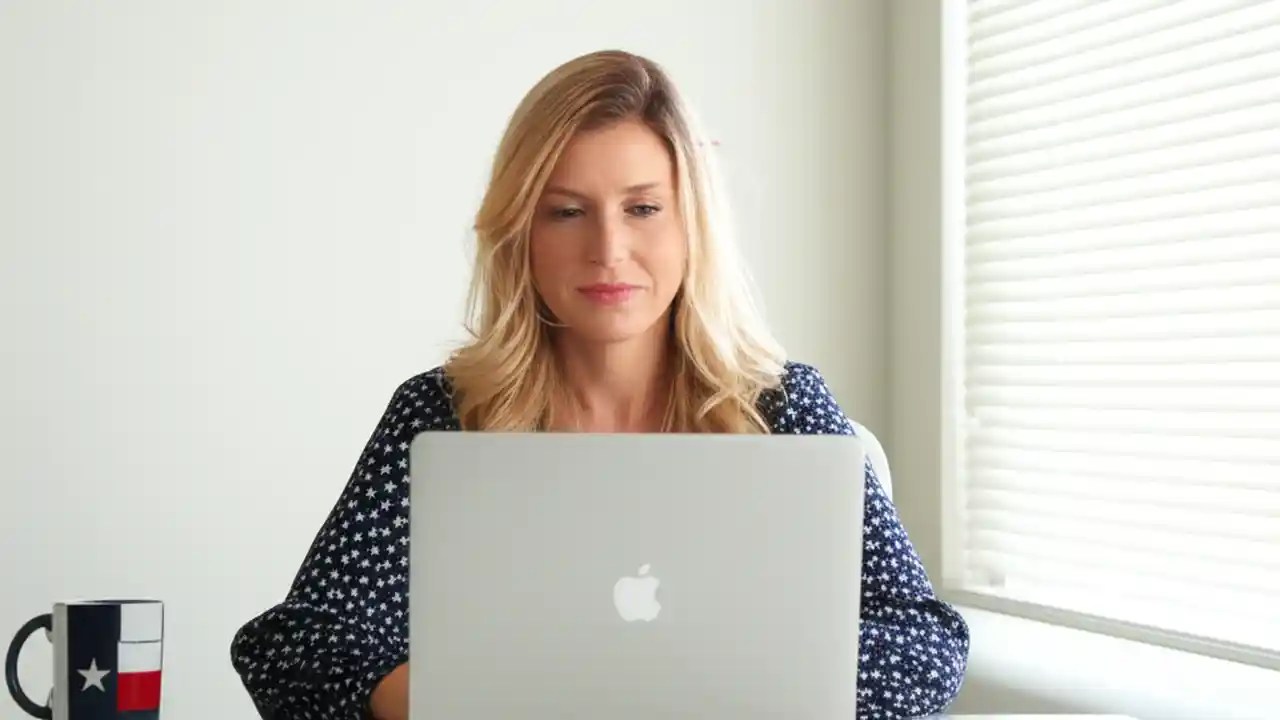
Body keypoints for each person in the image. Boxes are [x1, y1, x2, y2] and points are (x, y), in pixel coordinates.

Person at [229, 49, 969, 720]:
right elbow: (299, 641)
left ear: (692, 225)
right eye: (567, 212)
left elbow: (923, 639)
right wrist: (448, 699)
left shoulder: (781, 406)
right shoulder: (443, 415)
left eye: (643, 208)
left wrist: (736, 692)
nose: (608, 250)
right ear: (521, 232)